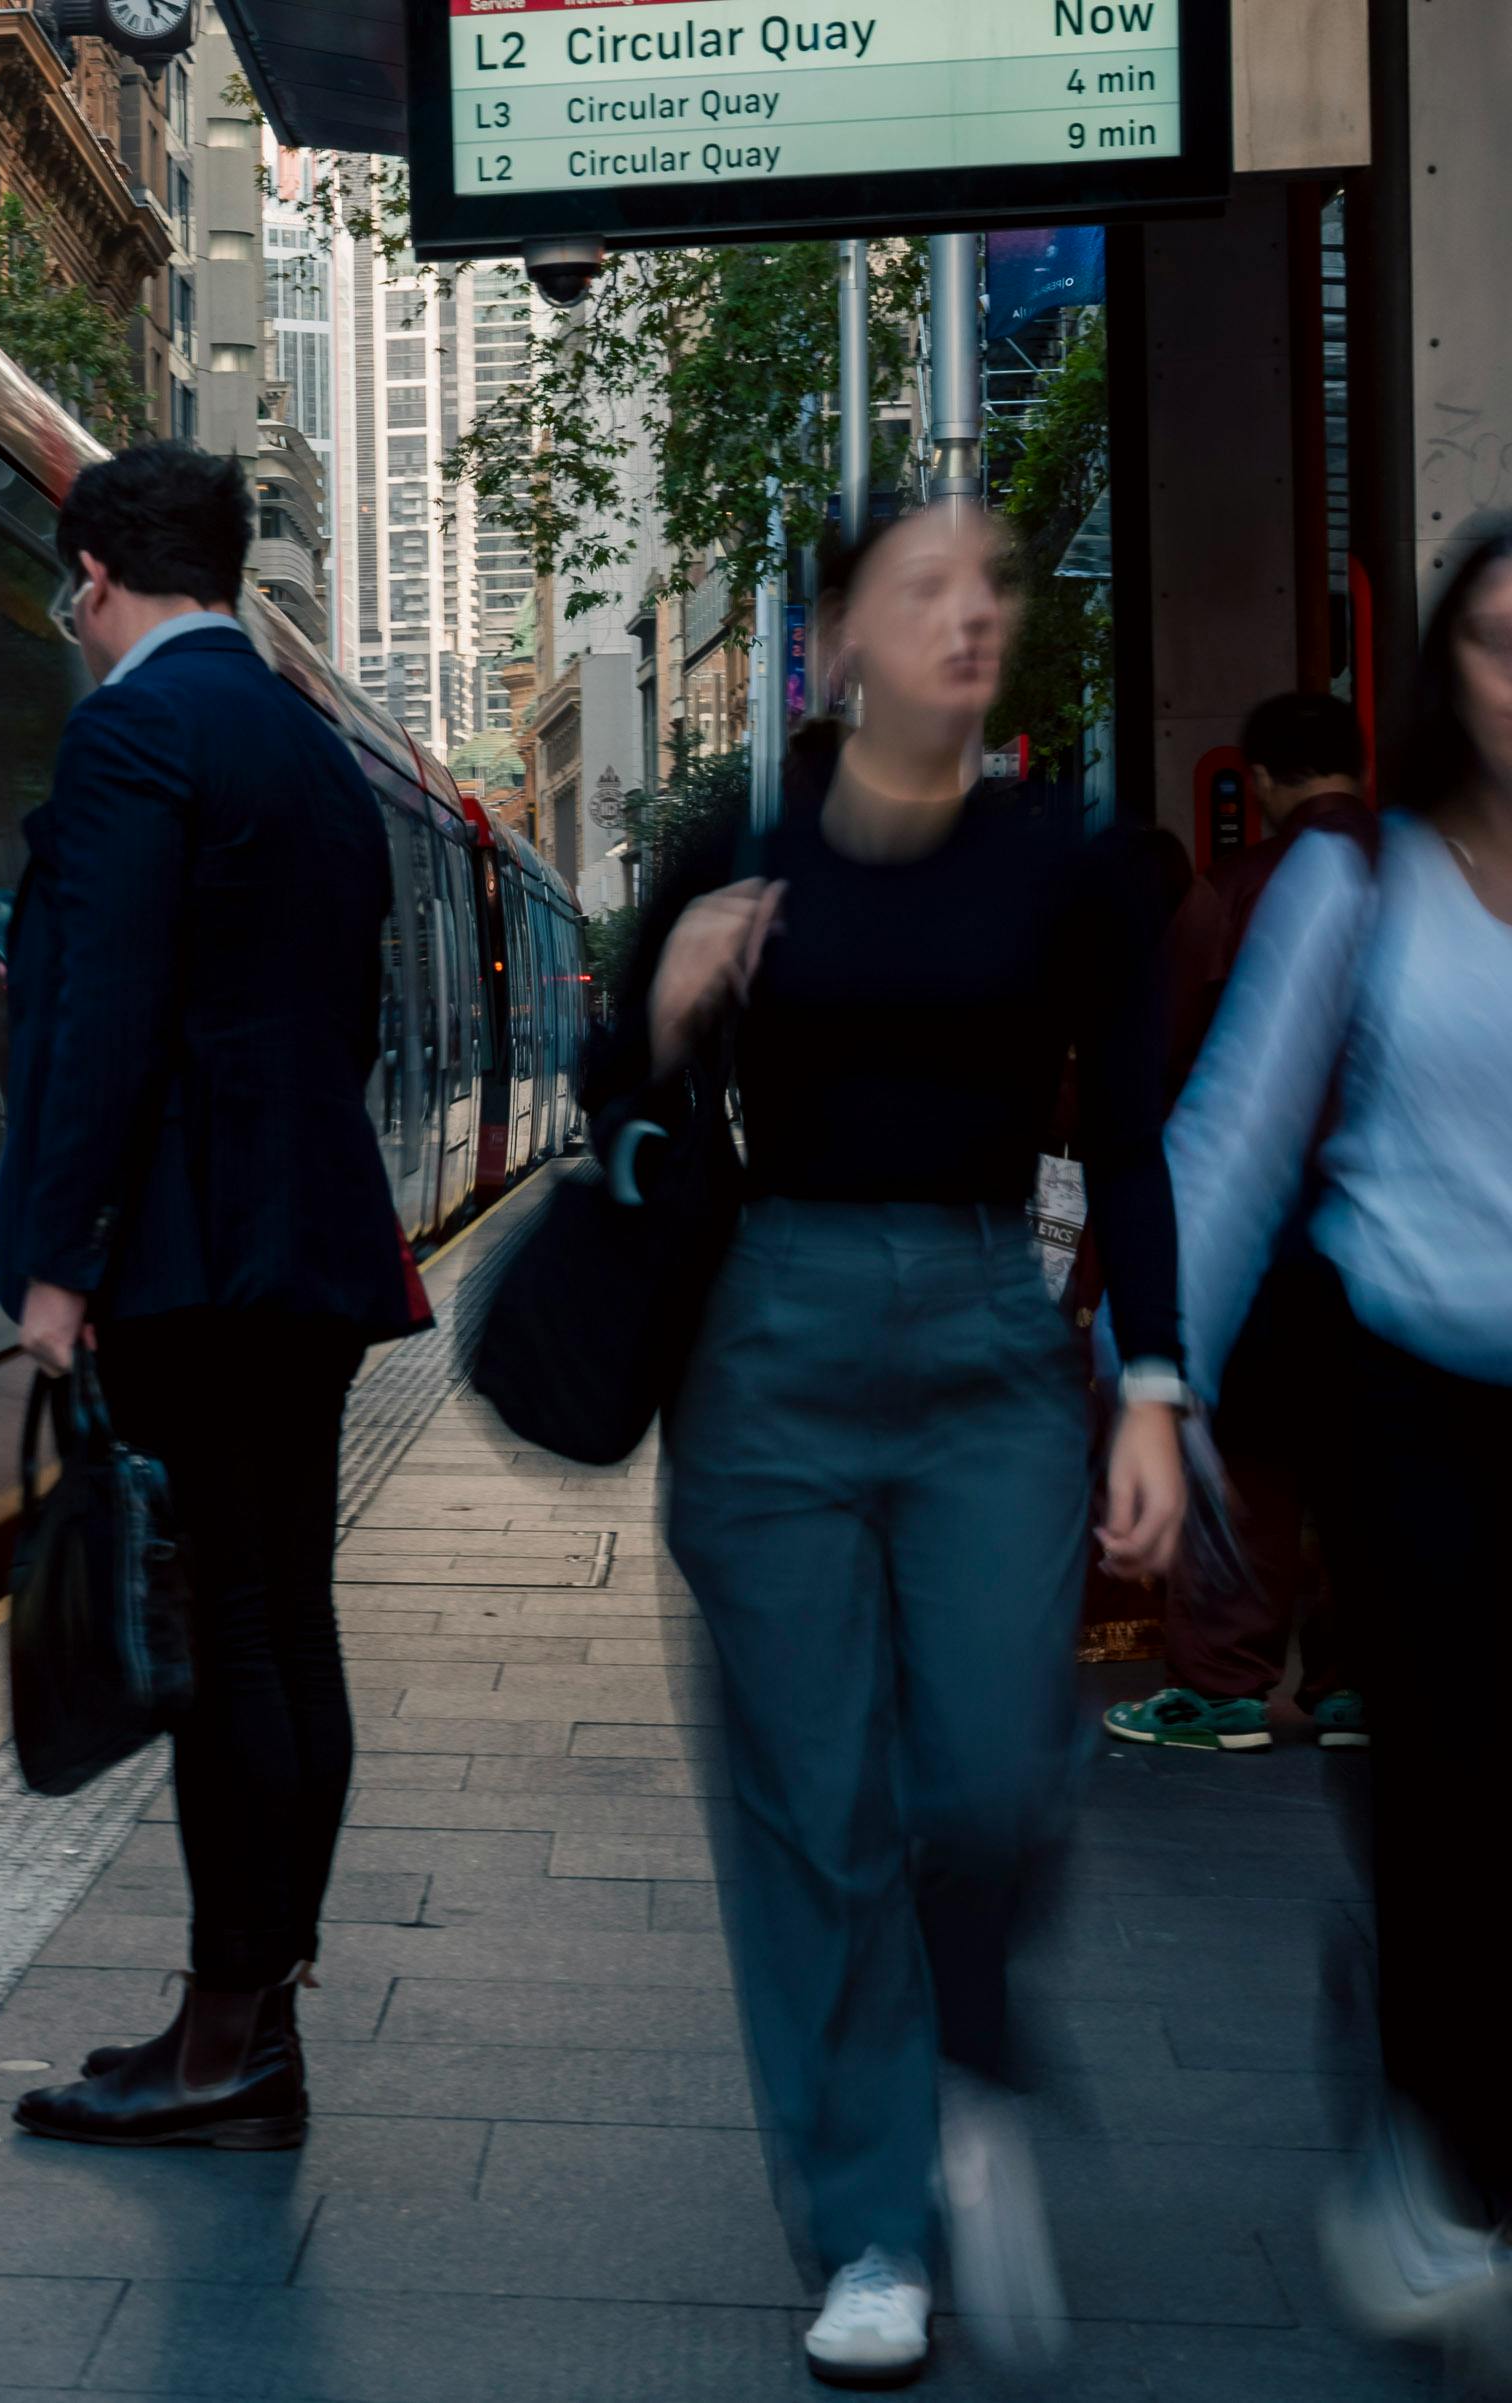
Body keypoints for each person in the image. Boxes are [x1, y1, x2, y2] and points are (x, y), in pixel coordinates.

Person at [597, 500, 1187, 2386]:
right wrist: (674, 1006)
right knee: (814, 1812)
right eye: (924, 585)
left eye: (992, 585)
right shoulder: (738, 845)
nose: (971, 614)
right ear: (838, 630)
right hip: (770, 1337)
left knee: (994, 1770)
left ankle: (972, 2043)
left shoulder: (1064, 867)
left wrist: (1156, 1381)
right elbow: (615, 1096)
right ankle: (874, 2222)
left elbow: (1143, 1134)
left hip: (987, 1337)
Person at [0, 441, 419, 2150]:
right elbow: (348, 1015)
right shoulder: (311, 752)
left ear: (93, 572)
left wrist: (56, 1255)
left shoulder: (131, 735)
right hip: (307, 1248)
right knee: (284, 1624)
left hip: (185, 1256)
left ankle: (227, 2039)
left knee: (223, 1637)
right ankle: (248, 2012)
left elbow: (97, 1013)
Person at [1167, 526, 1512, 2348]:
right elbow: (1233, 1133)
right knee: (1455, 1784)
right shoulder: (1364, 886)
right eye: (1503, 644)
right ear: (1447, 672)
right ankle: (1428, 2134)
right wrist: (1158, 1385)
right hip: (1422, 1402)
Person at [1103, 689, 1373, 1754]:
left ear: (1258, 779)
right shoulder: (1441, 876)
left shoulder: (1239, 888)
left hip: (1267, 1228)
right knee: (1364, 1452)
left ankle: (1221, 1686)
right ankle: (1357, 1680)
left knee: (1246, 1458)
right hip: (1396, 1234)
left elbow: (1165, 1059)